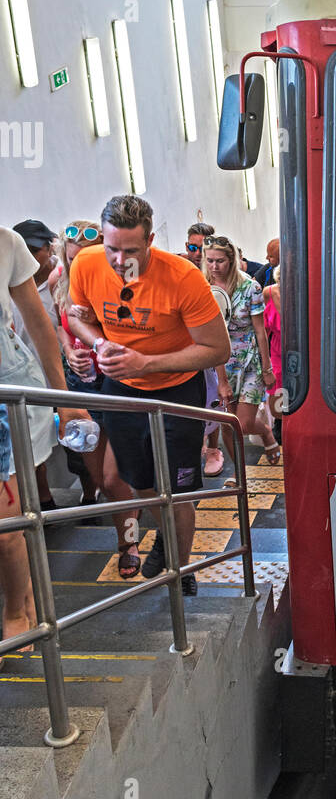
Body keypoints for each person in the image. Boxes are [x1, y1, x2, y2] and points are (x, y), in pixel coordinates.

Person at [66, 195, 230, 593]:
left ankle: (181, 569)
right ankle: (164, 538)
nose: (120, 261)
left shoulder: (182, 277)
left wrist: (146, 363)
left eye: (131, 251)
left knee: (178, 488)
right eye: (111, 249)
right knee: (139, 481)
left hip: (176, 390)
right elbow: (75, 313)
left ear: (151, 240)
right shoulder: (87, 264)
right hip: (123, 389)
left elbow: (218, 349)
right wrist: (96, 345)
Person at [0, 226, 89, 655]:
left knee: (5, 523)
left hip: (6, 398)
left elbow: (38, 325)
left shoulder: (6, 244)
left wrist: (65, 402)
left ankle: (17, 609)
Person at [50, 220, 139, 575]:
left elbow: (134, 328)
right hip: (80, 387)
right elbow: (59, 324)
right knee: (100, 481)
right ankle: (133, 506)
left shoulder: (121, 282)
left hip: (116, 386)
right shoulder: (60, 281)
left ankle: (128, 542)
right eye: (72, 260)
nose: (78, 265)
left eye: (85, 258)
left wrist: (97, 327)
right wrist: (67, 351)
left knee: (115, 479)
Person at [203, 237, 279, 484]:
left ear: (232, 260)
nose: (214, 266)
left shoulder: (251, 288)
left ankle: (265, 431)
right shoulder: (204, 288)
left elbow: (259, 331)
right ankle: (240, 472)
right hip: (219, 361)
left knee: (243, 424)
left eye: (220, 261)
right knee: (227, 422)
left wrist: (267, 368)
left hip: (249, 361)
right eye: (210, 261)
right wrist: (221, 380)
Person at [12, 219, 62, 510]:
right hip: (26, 379)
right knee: (31, 446)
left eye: (34, 249)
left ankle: (92, 498)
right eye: (24, 250)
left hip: (60, 376)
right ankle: (43, 499)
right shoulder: (12, 281)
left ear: (48, 248)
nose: (29, 257)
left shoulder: (62, 278)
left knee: (76, 449)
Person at [180, 223, 224, 478]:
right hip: (184, 349)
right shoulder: (180, 270)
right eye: (193, 247)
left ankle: (214, 449)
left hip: (211, 348)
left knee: (213, 399)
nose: (197, 253)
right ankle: (199, 444)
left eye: (203, 247)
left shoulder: (219, 274)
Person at [262, 264, 282, 438]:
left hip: (304, 350)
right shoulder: (268, 292)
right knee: (278, 386)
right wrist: (264, 360)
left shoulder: (304, 292)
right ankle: (280, 424)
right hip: (277, 349)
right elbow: (263, 330)